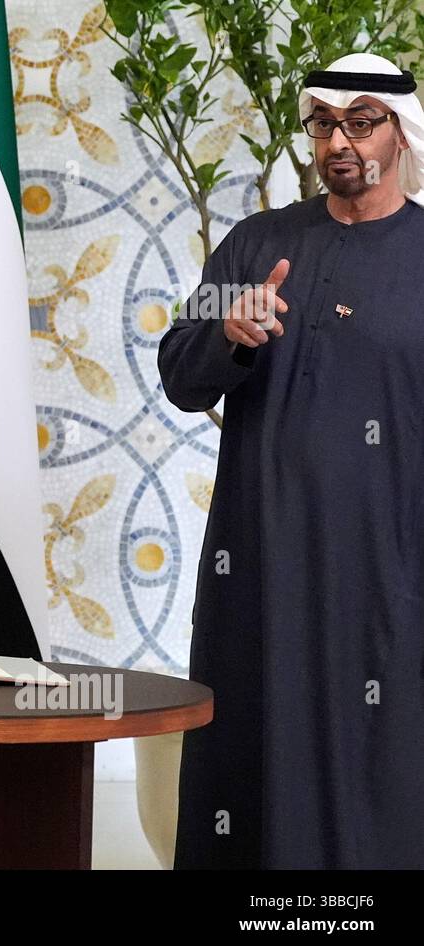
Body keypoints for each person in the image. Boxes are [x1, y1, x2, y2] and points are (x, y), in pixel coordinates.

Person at [158, 52, 424, 868]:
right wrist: (223, 334)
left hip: (392, 571)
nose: (338, 141)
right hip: (262, 567)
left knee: (381, 755)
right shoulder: (251, 242)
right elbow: (177, 367)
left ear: (401, 131)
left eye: (360, 122)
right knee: (255, 747)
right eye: (322, 124)